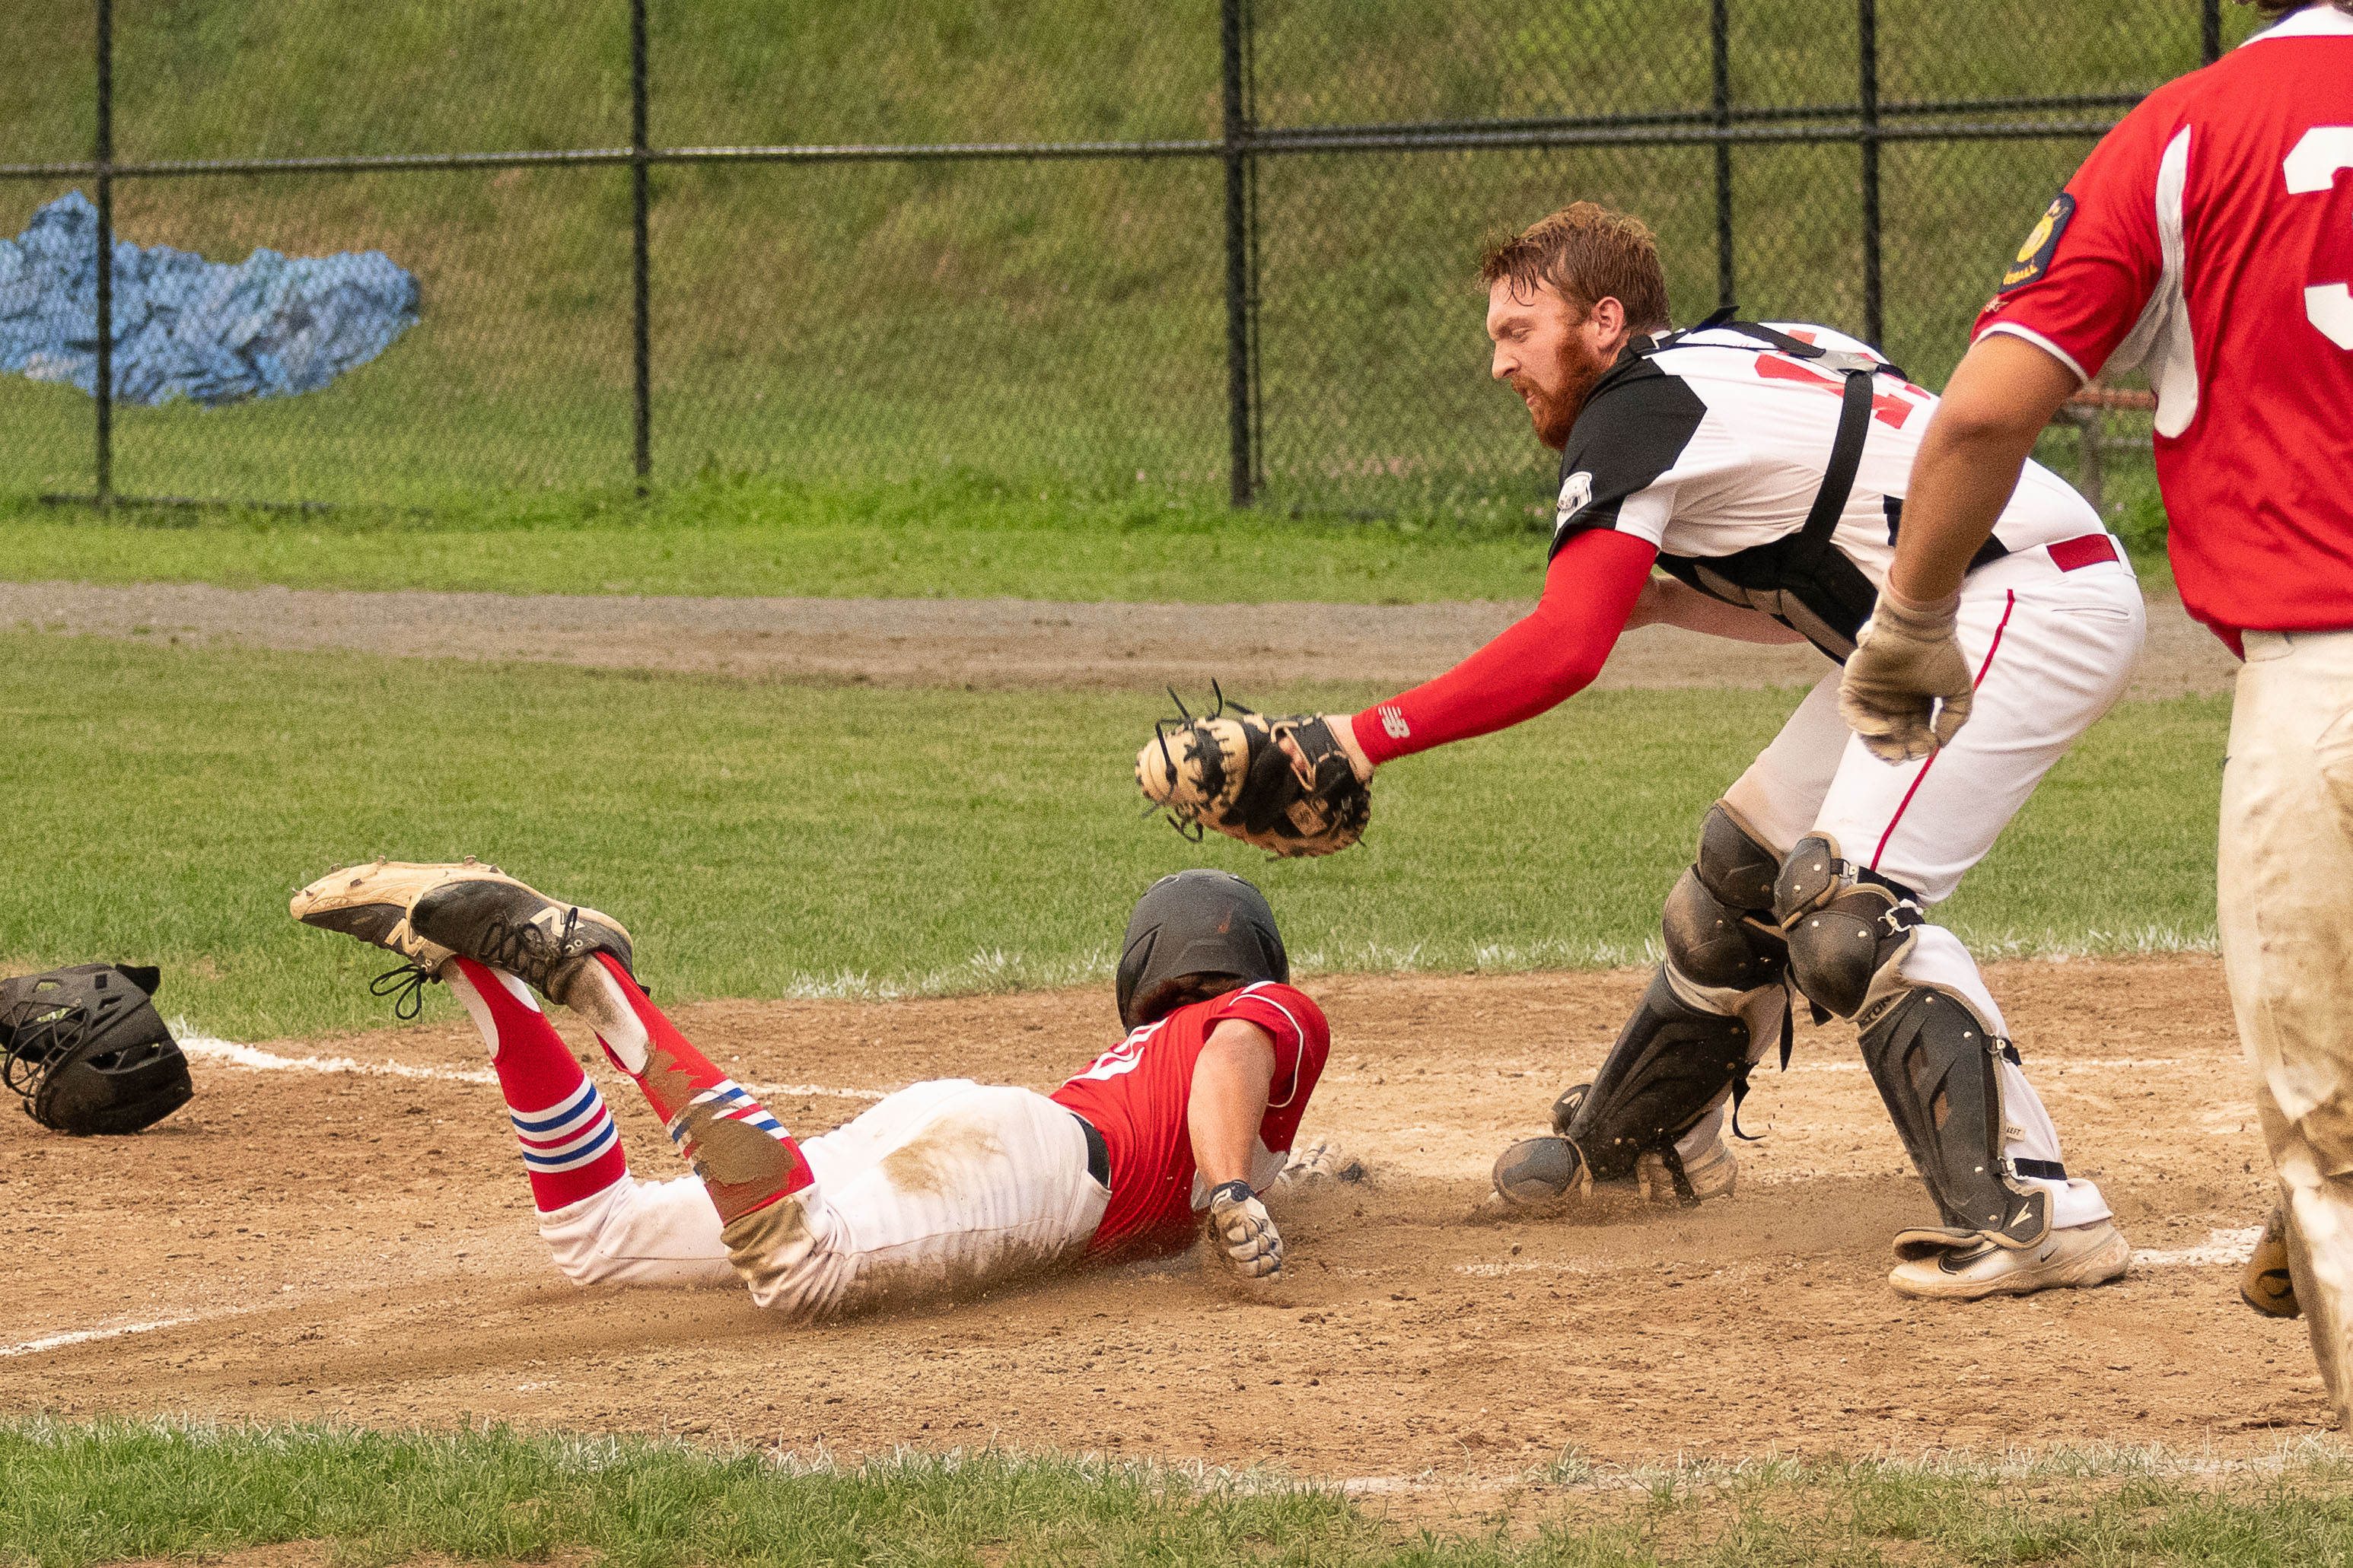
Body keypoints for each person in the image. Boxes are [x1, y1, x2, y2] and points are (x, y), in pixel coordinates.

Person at [1303, 202, 2143, 1299]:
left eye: (1519, 328)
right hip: (1957, 601)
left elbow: (1563, 648)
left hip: (2021, 596)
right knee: (1743, 870)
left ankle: (2032, 1209)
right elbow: (1812, 558)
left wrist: (1358, 740)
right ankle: (1647, 1145)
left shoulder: (1634, 411)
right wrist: (1653, 605)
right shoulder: (1736, 356)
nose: (1497, 359)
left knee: (1842, 906)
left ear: (1603, 323)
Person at [1836, 0, 2353, 1401]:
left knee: (2331, 1164)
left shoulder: (2187, 132)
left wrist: (1911, 620)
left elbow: (1992, 408)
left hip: (2321, 672)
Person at [288, 860, 1332, 1318]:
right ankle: (593, 982)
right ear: (1258, 959)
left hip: (972, 1131)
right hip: (1039, 1172)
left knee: (597, 1240)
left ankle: (480, 970)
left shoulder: (1155, 1056)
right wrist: (1236, 1190)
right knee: (800, 1264)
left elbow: (1232, 1111)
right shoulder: (1269, 1016)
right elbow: (1232, 1067)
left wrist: (1274, 1181)